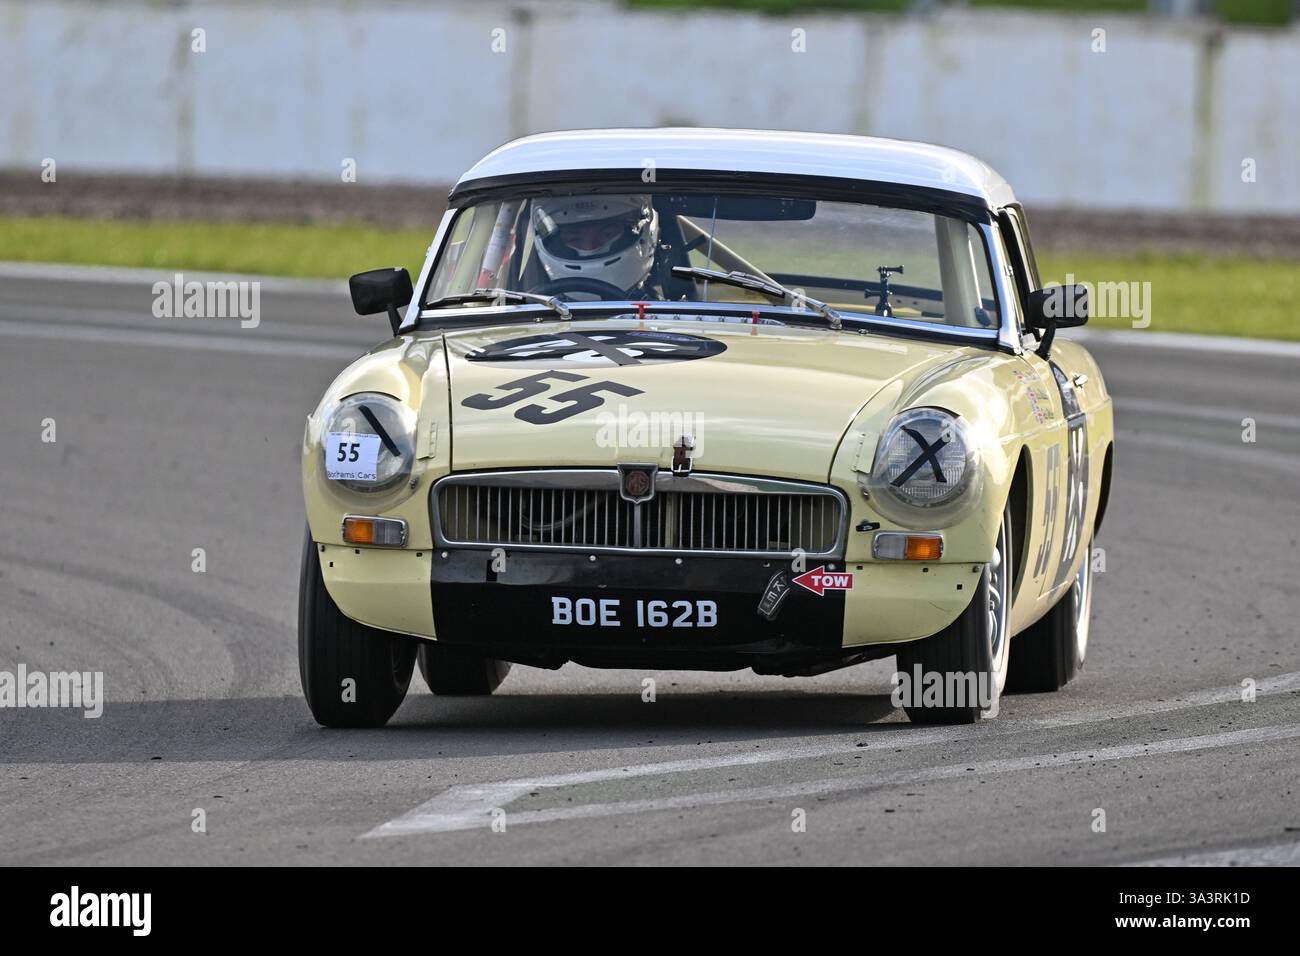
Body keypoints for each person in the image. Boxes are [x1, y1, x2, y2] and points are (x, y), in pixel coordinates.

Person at [529, 195, 660, 297]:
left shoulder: (665, 315)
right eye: (574, 238)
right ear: (556, 243)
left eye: (607, 234)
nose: (589, 247)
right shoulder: (530, 314)